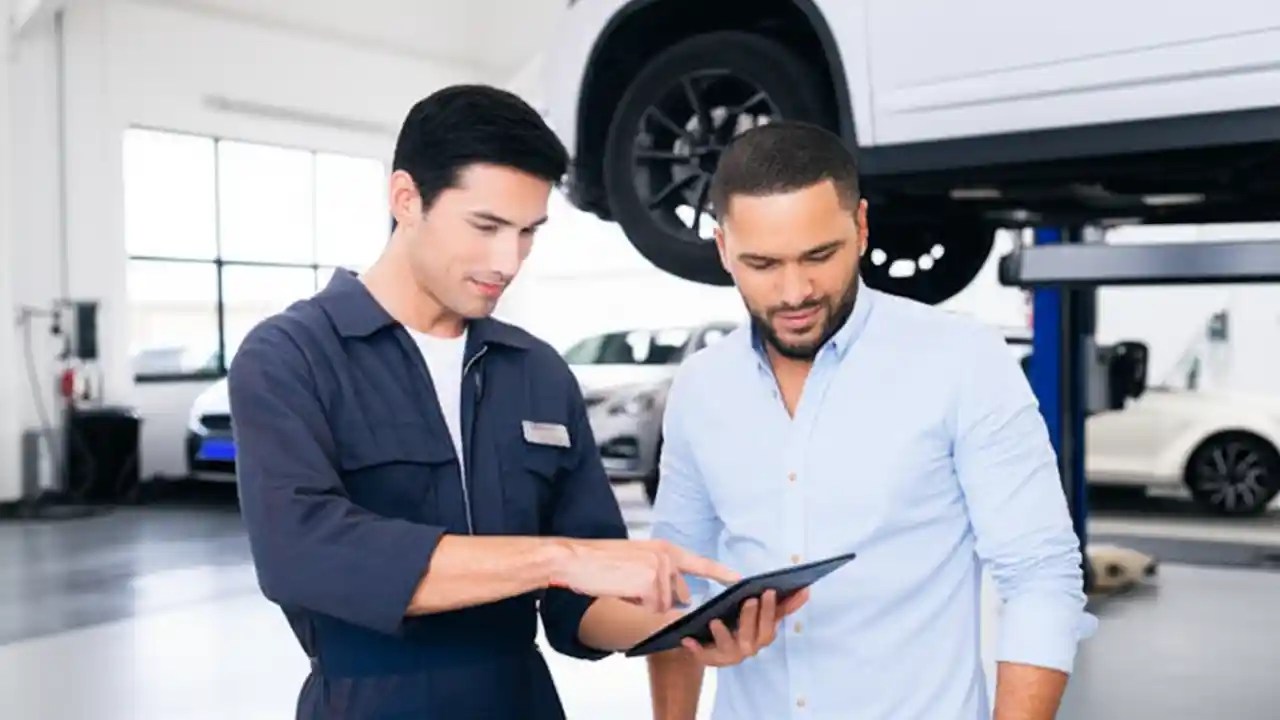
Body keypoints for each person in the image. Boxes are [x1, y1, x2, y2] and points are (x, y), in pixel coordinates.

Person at [227, 85, 797, 720]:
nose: (509, 260)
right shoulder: (292, 357)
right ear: (405, 199)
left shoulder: (536, 371)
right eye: (487, 226)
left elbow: (577, 603)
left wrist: (682, 626)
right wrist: (555, 559)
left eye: (528, 232)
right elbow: (303, 556)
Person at [646, 121, 1097, 720]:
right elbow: (675, 591)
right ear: (724, 248)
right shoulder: (702, 387)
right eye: (762, 263)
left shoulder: (961, 361)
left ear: (860, 228)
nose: (794, 291)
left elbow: (1041, 577)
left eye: (819, 255)